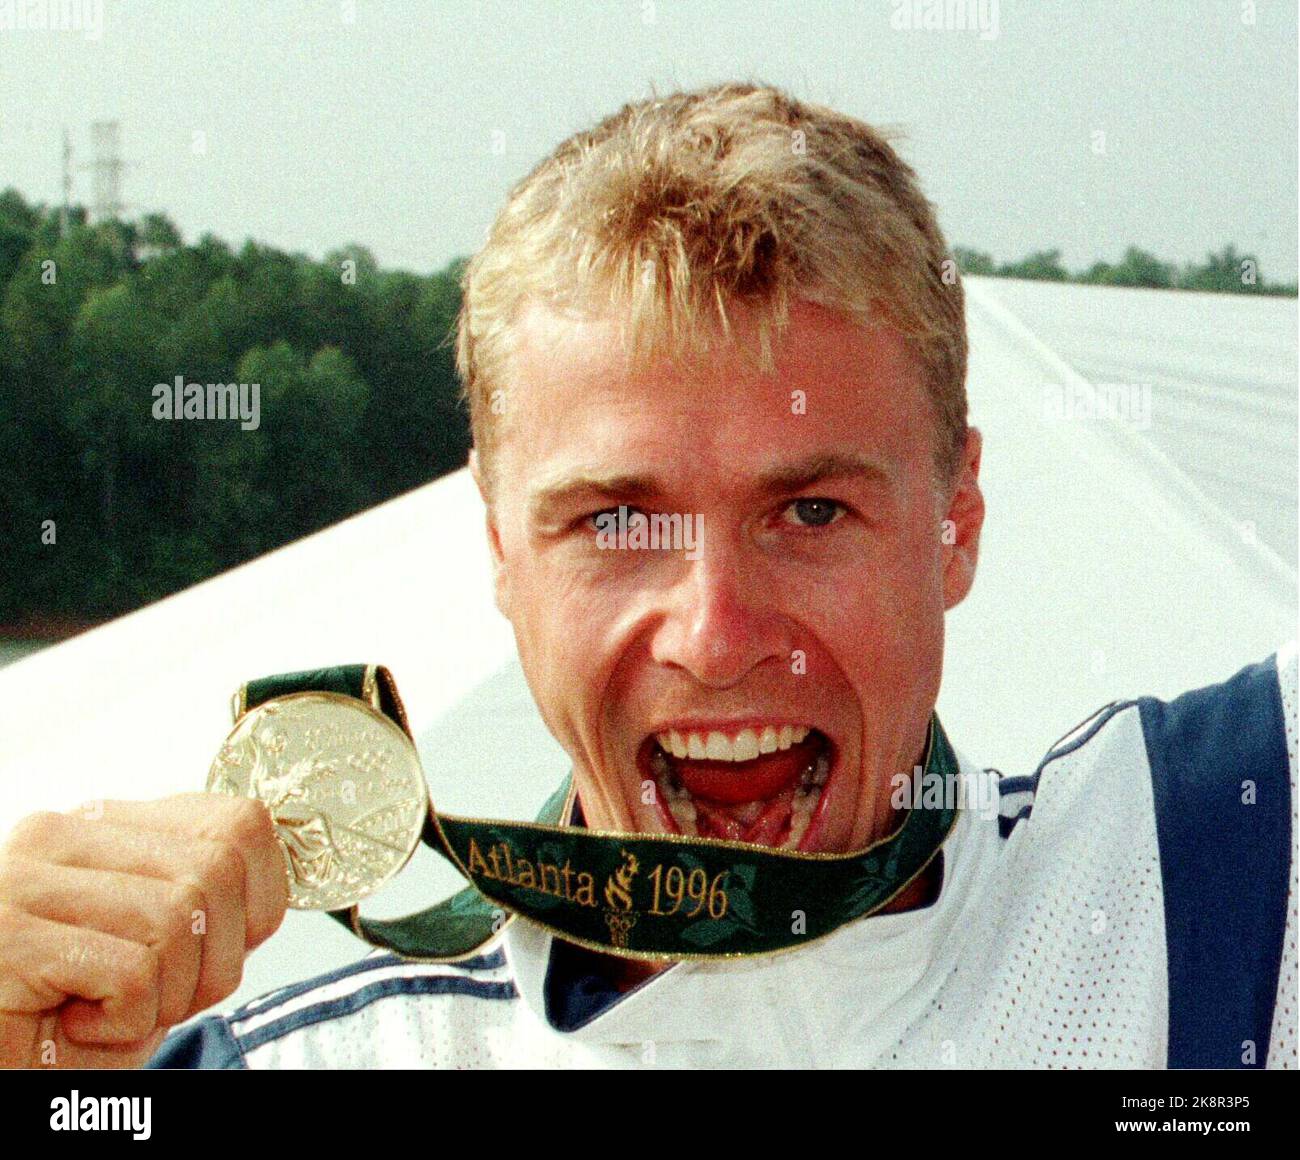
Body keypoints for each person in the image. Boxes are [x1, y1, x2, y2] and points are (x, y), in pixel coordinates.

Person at [0, 82, 1293, 1070]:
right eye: (617, 520)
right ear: (502, 548)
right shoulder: (304, 1062)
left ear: (955, 519)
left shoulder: (1217, 874)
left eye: (810, 507)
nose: (716, 633)